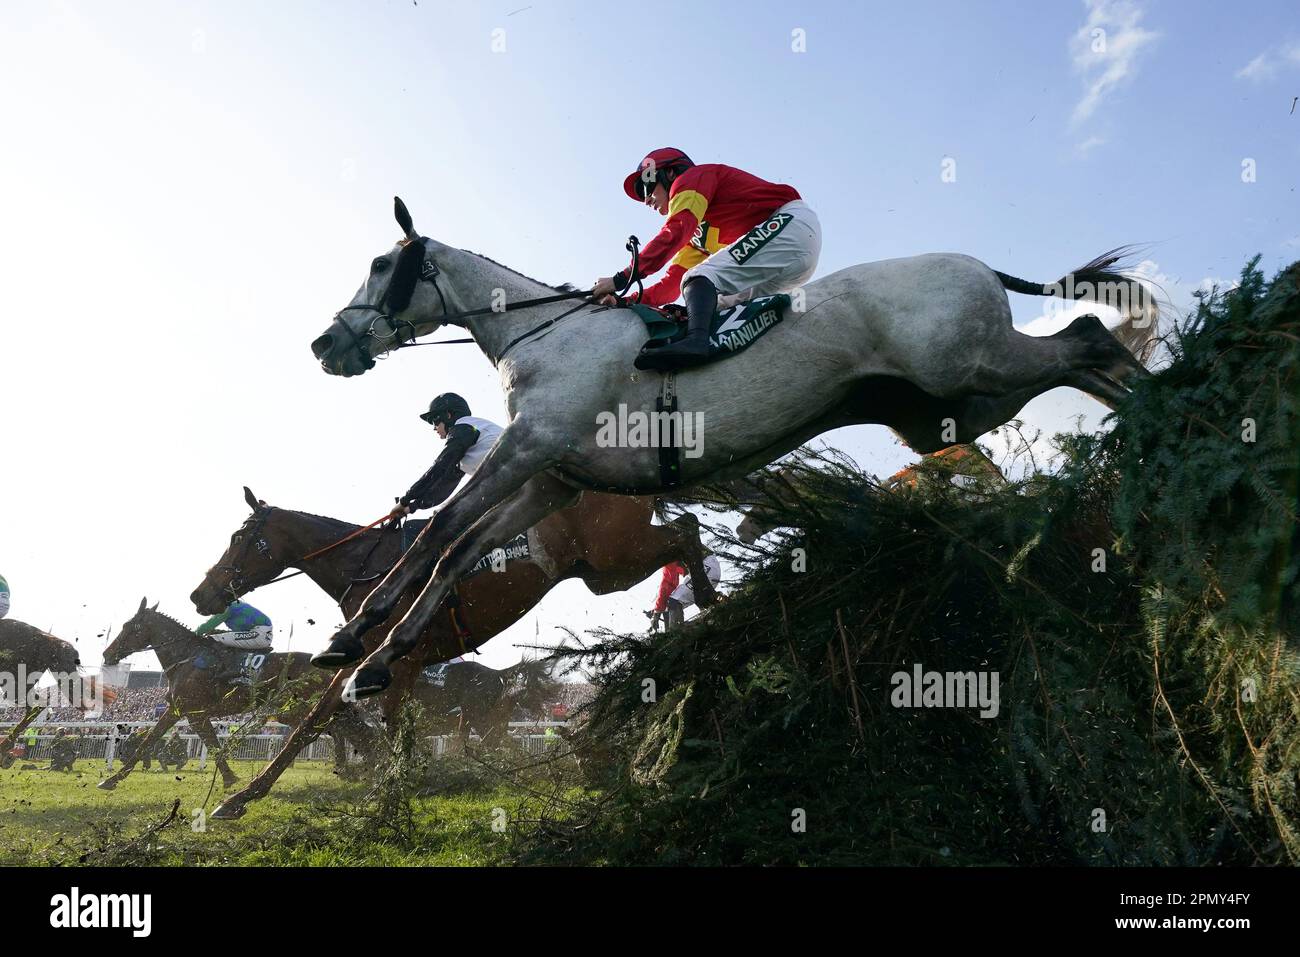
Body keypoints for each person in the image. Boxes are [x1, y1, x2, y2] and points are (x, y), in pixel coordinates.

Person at [591, 148, 822, 370]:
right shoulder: (698, 234)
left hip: (790, 225)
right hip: (790, 261)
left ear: (670, 173)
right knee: (714, 306)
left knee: (699, 276)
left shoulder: (692, 178)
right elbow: (671, 285)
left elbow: (675, 233)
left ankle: (696, 343)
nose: (646, 200)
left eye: (646, 186)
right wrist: (625, 302)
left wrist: (621, 279)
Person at [386, 393, 504, 521]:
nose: (434, 428)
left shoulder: (463, 427)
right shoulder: (463, 452)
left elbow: (439, 467)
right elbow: (443, 487)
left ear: (448, 416)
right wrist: (411, 508)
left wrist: (404, 501)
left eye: (434, 421)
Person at [195, 600, 273, 686]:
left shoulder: (227, 608)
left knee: (213, 639)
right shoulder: (235, 606)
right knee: (221, 638)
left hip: (259, 634)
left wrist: (193, 635)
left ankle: (233, 670)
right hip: (261, 634)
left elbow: (208, 626)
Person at [648, 554, 722, 630]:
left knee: (674, 601)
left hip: (706, 568)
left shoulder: (665, 553)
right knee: (672, 602)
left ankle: (675, 634)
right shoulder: (664, 547)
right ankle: (719, 609)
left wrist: (657, 611)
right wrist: (658, 609)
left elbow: (669, 584)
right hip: (709, 566)